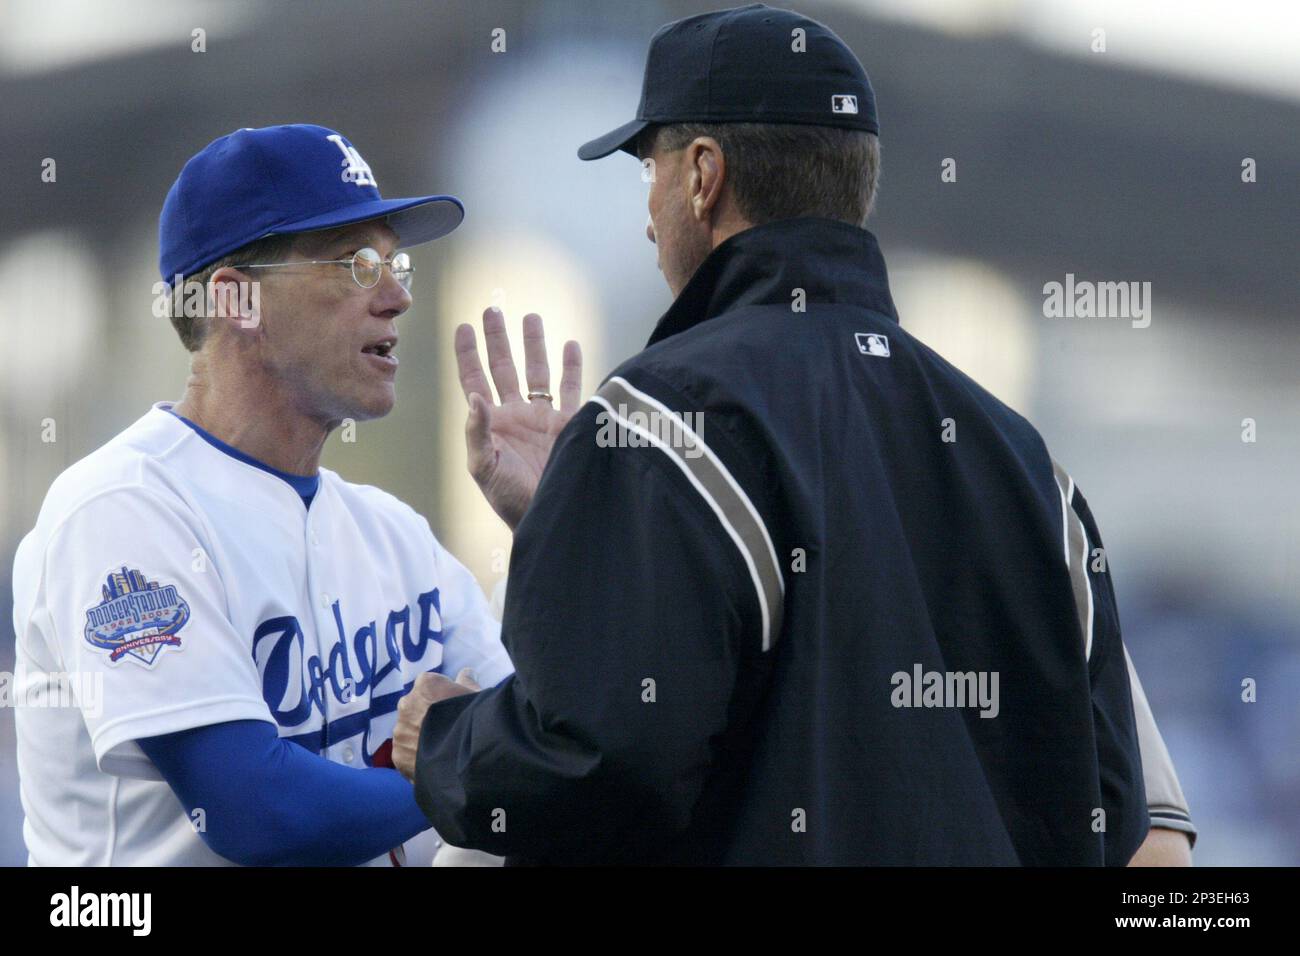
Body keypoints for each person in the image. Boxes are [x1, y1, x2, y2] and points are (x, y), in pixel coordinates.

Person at [394, 4, 1195, 865]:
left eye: (648, 175)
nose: (648, 215)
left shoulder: (659, 421)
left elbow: (601, 769)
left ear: (703, 176)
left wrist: (445, 738)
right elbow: (1117, 811)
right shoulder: (1025, 462)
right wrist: (573, 525)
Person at [10, 123, 579, 866]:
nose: (398, 295)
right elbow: (257, 811)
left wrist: (553, 533)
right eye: (356, 264)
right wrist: (471, 772)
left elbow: (563, 735)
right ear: (237, 299)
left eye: (396, 260)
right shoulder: (121, 508)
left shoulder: (393, 536)